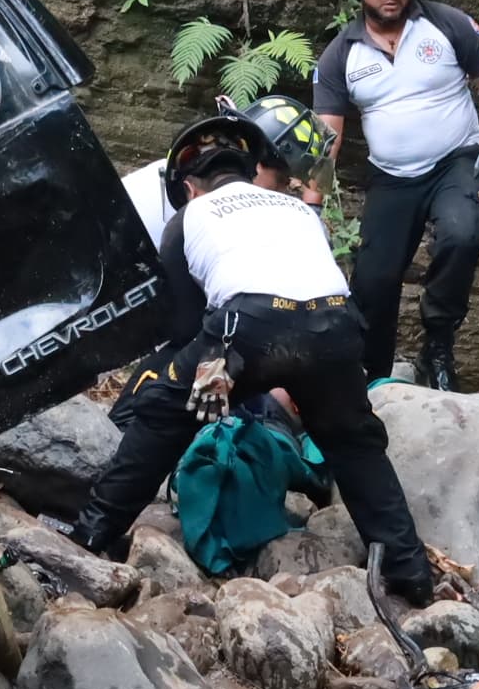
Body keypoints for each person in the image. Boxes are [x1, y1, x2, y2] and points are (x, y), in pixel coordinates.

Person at [68, 104, 439, 606]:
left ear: (191, 187)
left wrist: (195, 384)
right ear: (251, 173)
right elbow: (317, 284)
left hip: (249, 329)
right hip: (335, 327)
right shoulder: (301, 212)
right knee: (355, 445)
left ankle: (92, 535)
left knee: (162, 414)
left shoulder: (190, 216)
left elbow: (183, 327)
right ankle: (410, 572)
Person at [311, 0, 479, 392]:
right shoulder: (341, 55)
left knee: (464, 234)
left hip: (457, 161)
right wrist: (312, 205)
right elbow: (327, 138)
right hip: (391, 177)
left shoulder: (446, 25)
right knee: (373, 283)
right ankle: (373, 376)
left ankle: (438, 345)